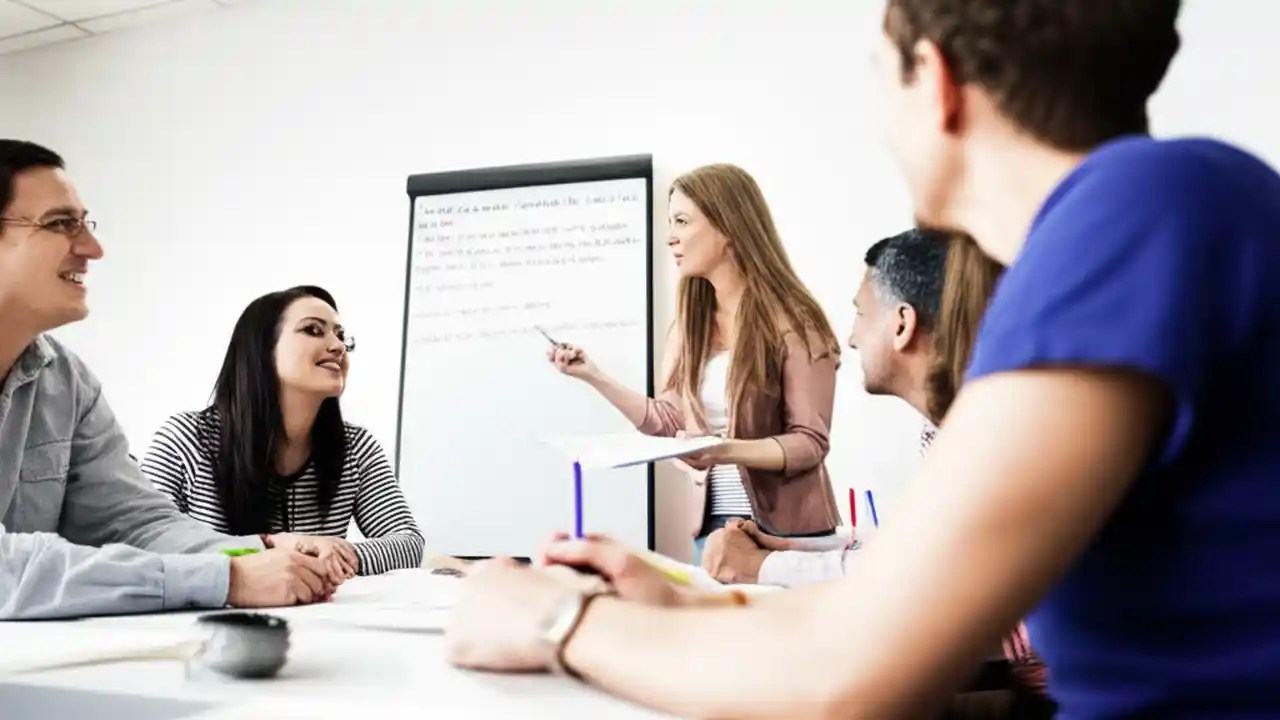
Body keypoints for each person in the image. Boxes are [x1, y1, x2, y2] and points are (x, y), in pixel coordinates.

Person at [444, 1, 1280, 717]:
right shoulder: (1137, 223)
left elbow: (850, 672)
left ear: (936, 78)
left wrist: (556, 623)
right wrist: (675, 609)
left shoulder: (1139, 214)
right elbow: (881, 612)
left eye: (880, 74)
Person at [0, 140, 340, 620]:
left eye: (84, 223)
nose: (92, 248)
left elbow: (136, 522)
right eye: (60, 224)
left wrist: (253, 553)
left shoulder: (67, 382)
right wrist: (227, 578)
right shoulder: (188, 434)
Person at [546, 164, 842, 561]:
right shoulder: (689, 327)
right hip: (711, 530)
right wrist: (593, 376)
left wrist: (723, 450)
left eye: (683, 221)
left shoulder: (796, 322)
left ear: (729, 227)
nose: (670, 238)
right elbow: (667, 421)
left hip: (791, 536)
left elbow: (809, 442)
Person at [701, 229, 999, 588]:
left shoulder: (986, 436)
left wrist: (760, 566)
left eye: (861, 314)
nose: (852, 339)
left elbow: (925, 572)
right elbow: (917, 546)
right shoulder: (944, 428)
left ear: (902, 324)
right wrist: (792, 549)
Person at [141, 286, 425, 576]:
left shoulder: (356, 447)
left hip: (320, 616)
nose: (338, 346)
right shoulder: (186, 438)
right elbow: (144, 541)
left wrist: (336, 555)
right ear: (262, 349)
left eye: (340, 336)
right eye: (313, 330)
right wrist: (272, 551)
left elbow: (408, 542)